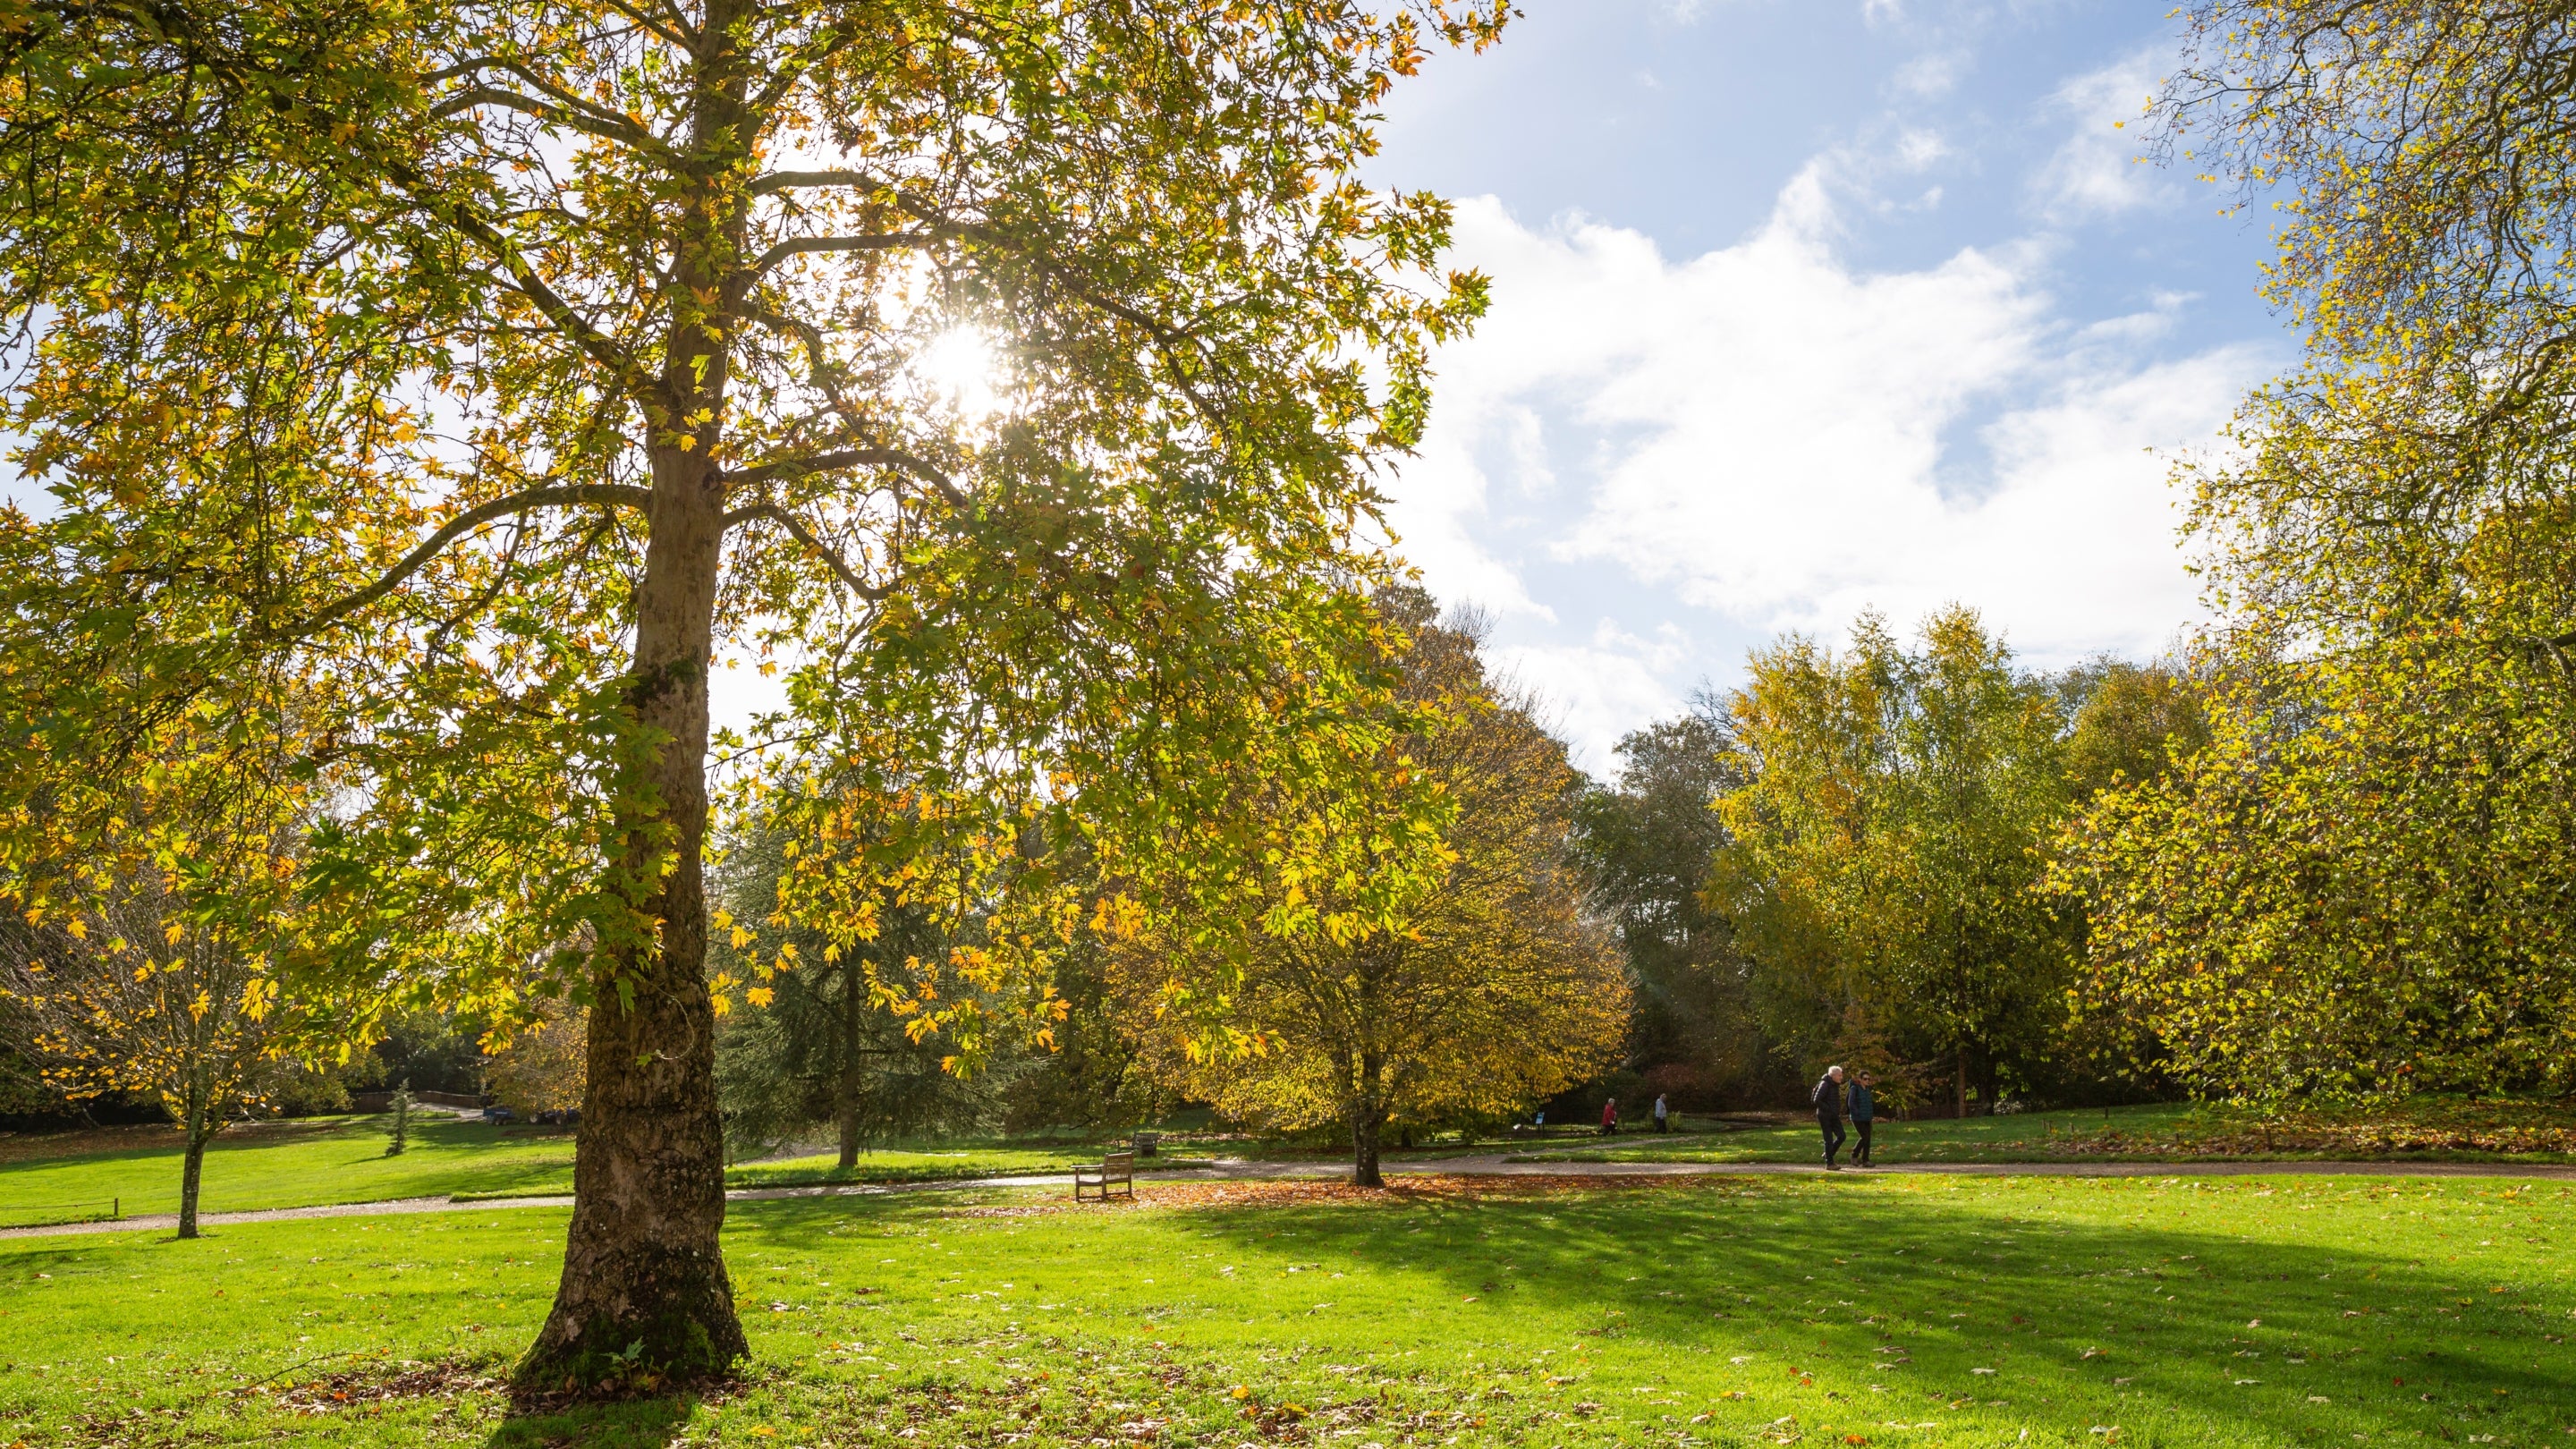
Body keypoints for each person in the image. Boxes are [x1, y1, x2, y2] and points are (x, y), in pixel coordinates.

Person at [1811, 1064, 1847, 1169]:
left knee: (1842, 1136)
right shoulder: (1825, 1084)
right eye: (1839, 1075)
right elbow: (1816, 1099)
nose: (1841, 1077)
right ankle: (1830, 1163)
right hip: (1824, 1115)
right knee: (1828, 1139)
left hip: (1833, 1115)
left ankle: (1828, 1154)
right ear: (1833, 1076)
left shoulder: (1834, 1085)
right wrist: (1828, 1108)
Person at [1848, 1071, 1877, 1167]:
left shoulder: (1867, 1089)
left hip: (1867, 1117)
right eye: (1865, 1079)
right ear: (1860, 1079)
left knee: (1868, 1139)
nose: (1867, 1081)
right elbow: (1851, 1103)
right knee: (1864, 1136)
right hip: (1857, 1118)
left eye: (1869, 1079)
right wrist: (1857, 1113)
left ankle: (1866, 1160)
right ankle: (1854, 1155)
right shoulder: (1854, 1088)